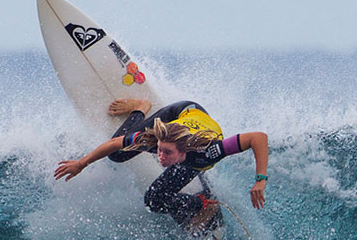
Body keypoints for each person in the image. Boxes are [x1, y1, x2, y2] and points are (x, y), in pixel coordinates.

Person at [53, 99, 269, 231]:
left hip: (195, 120)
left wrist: (260, 180)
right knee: (117, 155)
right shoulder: (154, 140)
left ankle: (203, 204)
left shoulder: (209, 151)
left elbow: (257, 138)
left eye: (166, 153)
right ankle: (140, 107)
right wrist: (82, 163)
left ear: (183, 152)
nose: (160, 156)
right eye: (159, 151)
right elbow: (113, 143)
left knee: (154, 201)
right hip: (179, 112)